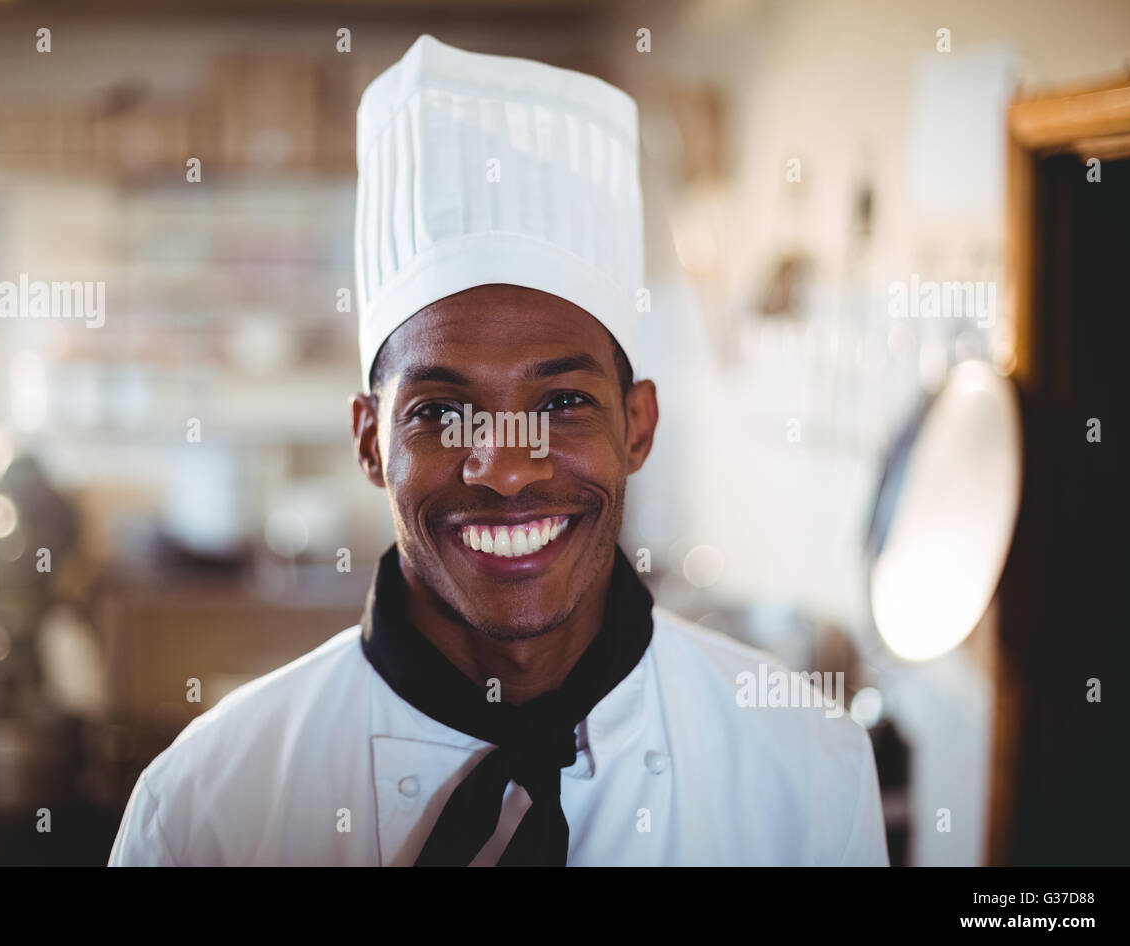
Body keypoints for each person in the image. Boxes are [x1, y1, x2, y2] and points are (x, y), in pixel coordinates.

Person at [109, 33, 889, 867]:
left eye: (561, 403)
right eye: (442, 412)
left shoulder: (804, 770)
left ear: (638, 426)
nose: (509, 467)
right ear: (370, 444)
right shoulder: (208, 806)